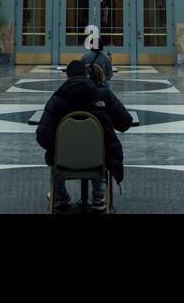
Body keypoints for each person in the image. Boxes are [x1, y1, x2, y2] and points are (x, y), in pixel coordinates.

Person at [36, 60, 132, 212]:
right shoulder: (104, 94)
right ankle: (99, 196)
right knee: (98, 147)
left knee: (56, 148)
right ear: (86, 74)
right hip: (98, 160)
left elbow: (42, 135)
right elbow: (125, 122)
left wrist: (60, 145)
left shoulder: (56, 99)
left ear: (67, 76)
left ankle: (59, 195)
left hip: (63, 161)